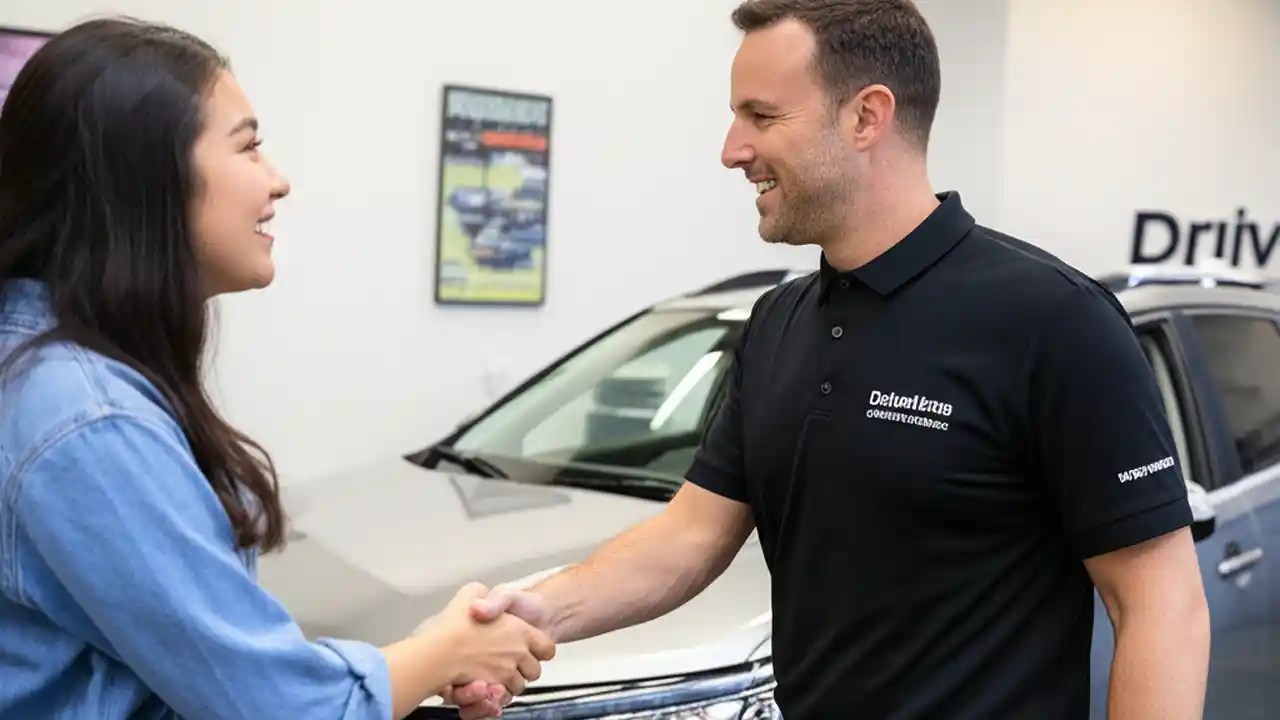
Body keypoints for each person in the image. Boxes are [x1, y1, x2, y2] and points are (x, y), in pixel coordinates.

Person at [446, 1, 1211, 718]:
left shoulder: (1052, 320)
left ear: (866, 117)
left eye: (761, 116)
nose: (731, 150)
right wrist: (534, 611)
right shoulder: (779, 322)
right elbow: (686, 540)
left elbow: (1159, 605)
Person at [0, 17, 552, 719]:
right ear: (147, 175)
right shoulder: (84, 417)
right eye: (249, 147)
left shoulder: (62, 376)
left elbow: (219, 662)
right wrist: (443, 653)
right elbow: (277, 708)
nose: (278, 180)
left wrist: (421, 658)